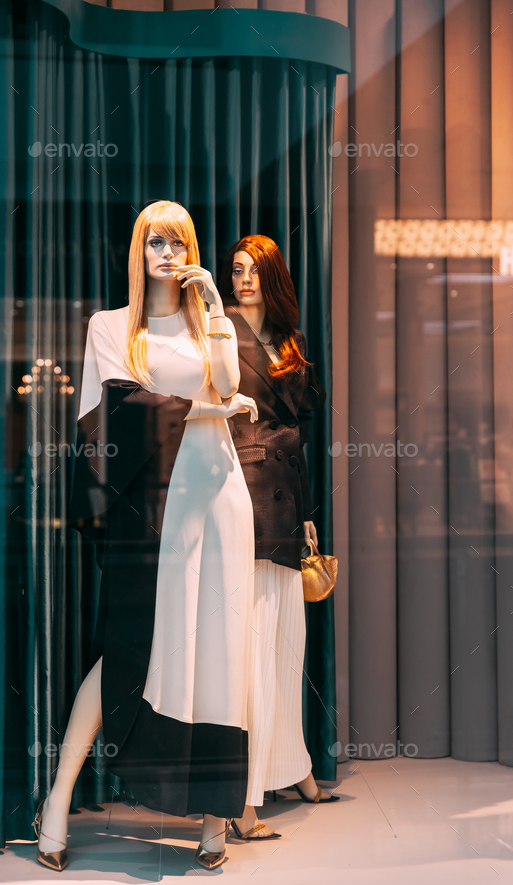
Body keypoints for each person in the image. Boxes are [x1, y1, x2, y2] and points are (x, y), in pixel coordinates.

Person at [33, 201, 258, 872]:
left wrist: (215, 300)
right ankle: (57, 799)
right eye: (154, 240)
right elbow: (118, 417)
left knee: (219, 648)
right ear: (138, 249)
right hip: (151, 510)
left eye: (177, 240)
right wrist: (210, 409)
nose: (165, 251)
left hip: (218, 498)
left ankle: (215, 817)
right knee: (128, 652)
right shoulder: (109, 327)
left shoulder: (206, 324)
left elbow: (232, 380)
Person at [218, 234, 339, 841]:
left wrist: (310, 513)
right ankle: (242, 800)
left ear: (273, 278)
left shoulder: (289, 344)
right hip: (245, 500)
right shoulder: (220, 333)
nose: (243, 279)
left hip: (289, 508)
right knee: (250, 653)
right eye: (235, 269)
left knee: (285, 649)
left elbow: (303, 433)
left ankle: (295, 767)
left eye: (253, 270)